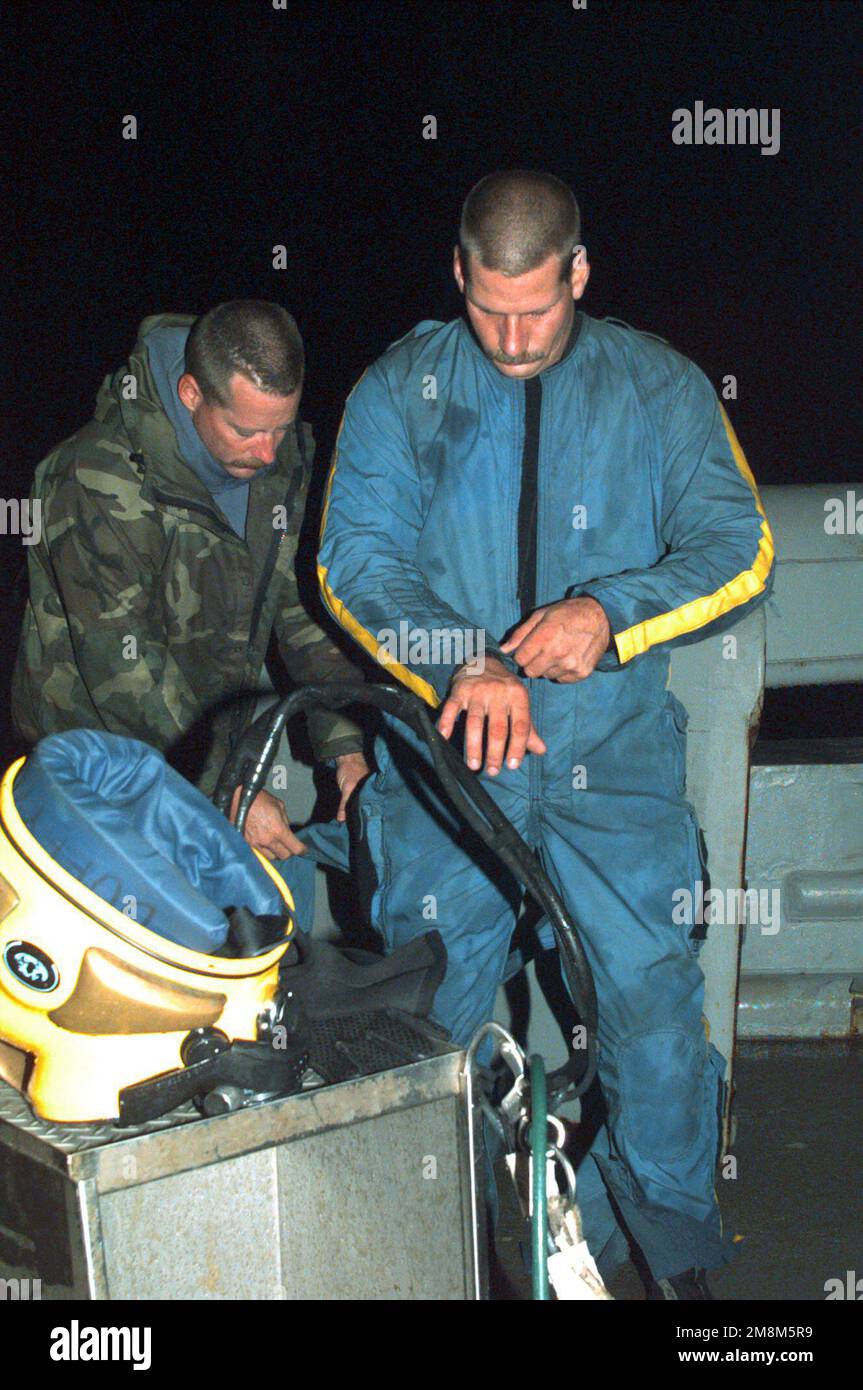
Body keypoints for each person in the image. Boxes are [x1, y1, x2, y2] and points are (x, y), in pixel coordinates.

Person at [317, 172, 775, 1298]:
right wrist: (455, 653)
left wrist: (608, 614)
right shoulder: (396, 390)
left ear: (578, 271)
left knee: (655, 1020)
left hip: (610, 756)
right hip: (447, 768)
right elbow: (351, 562)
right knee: (429, 1025)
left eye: (537, 307)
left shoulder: (657, 386)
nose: (514, 338)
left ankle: (663, 1260)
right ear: (456, 275)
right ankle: (440, 1251)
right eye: (488, 309)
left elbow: (737, 546)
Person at [12, 301, 369, 864]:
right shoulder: (96, 479)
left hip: (217, 743)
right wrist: (230, 789)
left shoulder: (278, 462)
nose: (268, 452)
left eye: (280, 428)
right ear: (190, 394)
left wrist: (345, 744)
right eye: (247, 430)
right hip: (95, 768)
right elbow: (121, 666)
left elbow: (294, 609)